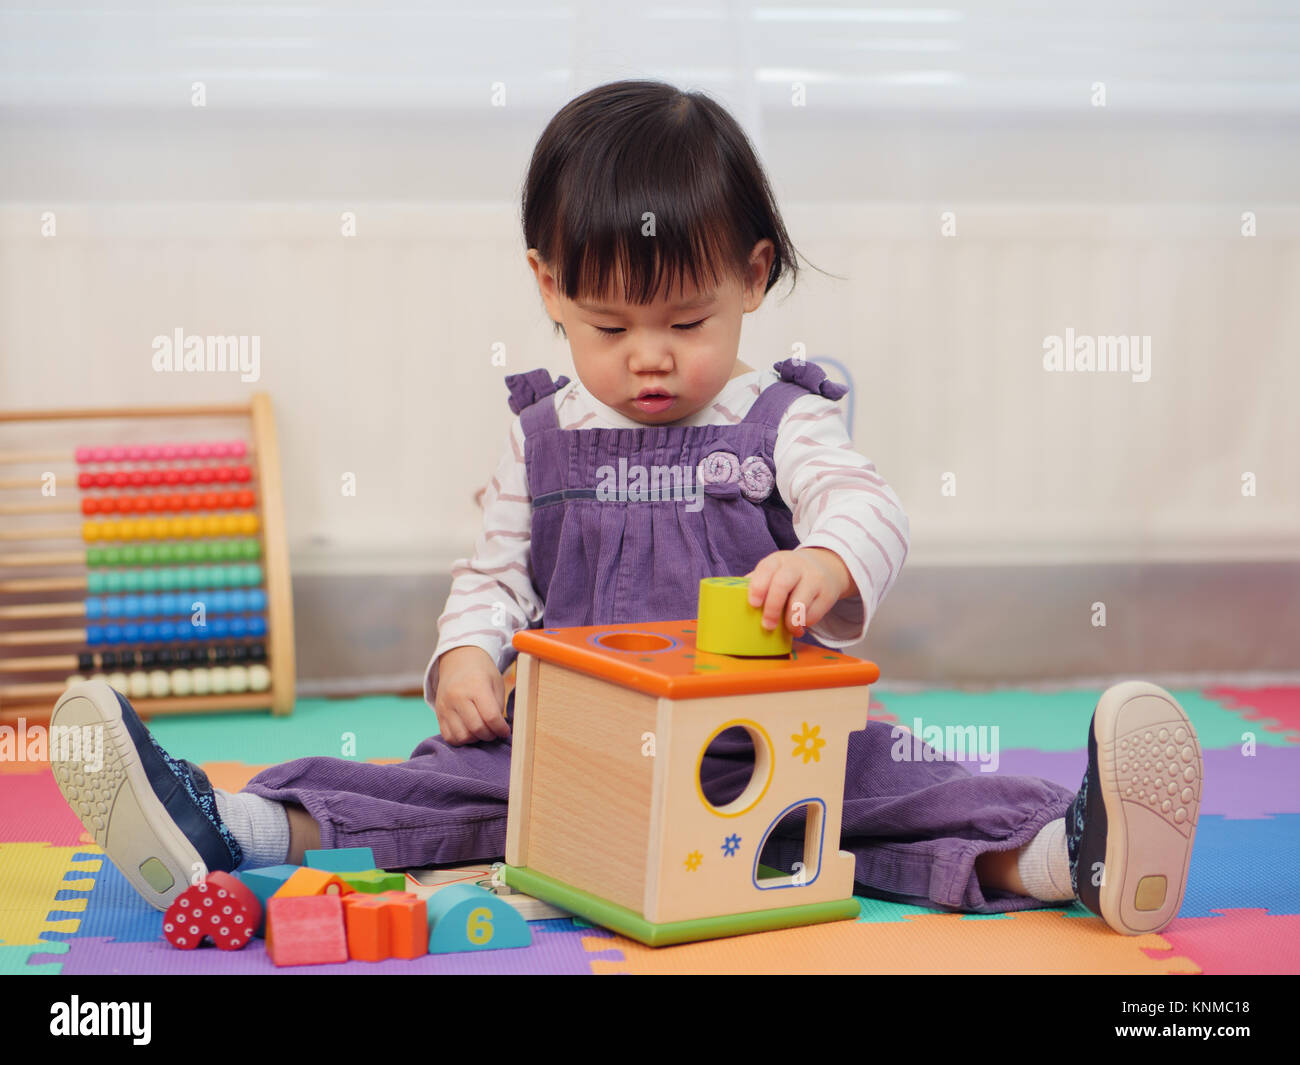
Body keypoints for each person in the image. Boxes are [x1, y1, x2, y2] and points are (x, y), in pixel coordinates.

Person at [51, 79, 1202, 938]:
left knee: (897, 798)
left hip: (771, 748)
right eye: (609, 327)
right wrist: (463, 653)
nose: (649, 360)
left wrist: (833, 566)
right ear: (547, 284)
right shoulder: (542, 430)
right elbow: (496, 570)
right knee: (439, 792)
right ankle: (228, 827)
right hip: (577, 750)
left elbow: (866, 504)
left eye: (687, 324)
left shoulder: (782, 418)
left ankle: (1068, 856)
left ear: (754, 278)